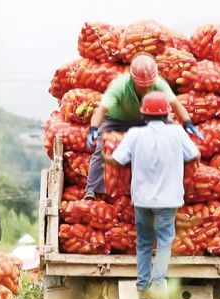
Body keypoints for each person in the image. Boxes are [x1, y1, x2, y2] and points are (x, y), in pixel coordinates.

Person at [103, 91, 200, 299]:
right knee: (165, 242)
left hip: (142, 199)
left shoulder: (135, 134)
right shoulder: (176, 133)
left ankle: (143, 286)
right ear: (167, 114)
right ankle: (158, 286)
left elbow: (118, 161)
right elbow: (193, 155)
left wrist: (102, 156)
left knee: (144, 243)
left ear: (144, 115)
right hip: (168, 199)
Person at [84, 52, 203, 200]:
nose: (146, 89)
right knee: (100, 146)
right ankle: (92, 190)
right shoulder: (119, 86)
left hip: (147, 117)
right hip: (117, 120)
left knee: (174, 134)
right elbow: (101, 110)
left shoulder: (159, 84)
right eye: (142, 86)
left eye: (149, 85)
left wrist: (188, 123)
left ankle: (182, 184)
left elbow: (176, 104)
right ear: (132, 79)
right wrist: (94, 129)